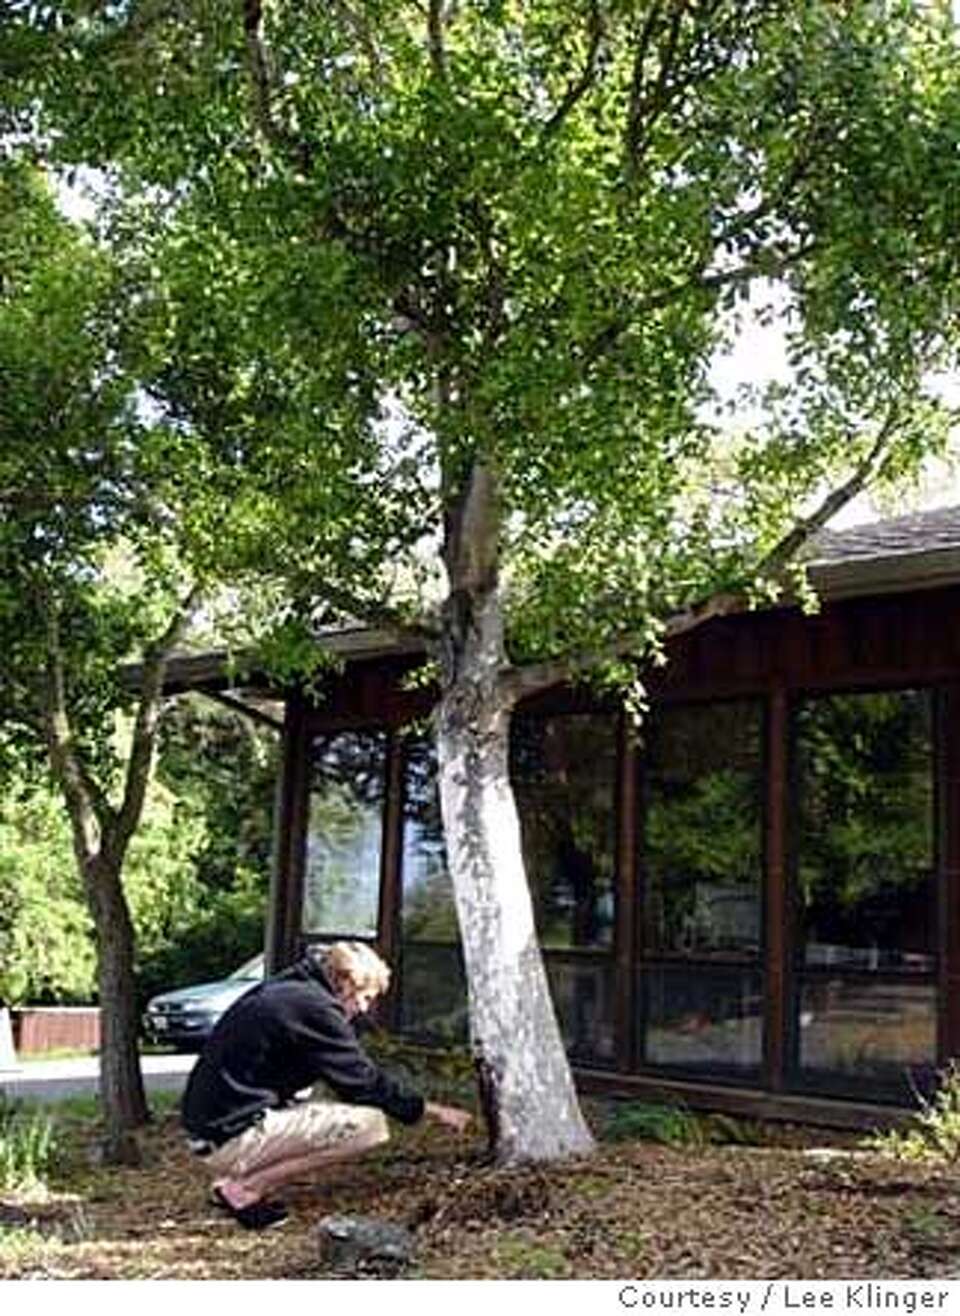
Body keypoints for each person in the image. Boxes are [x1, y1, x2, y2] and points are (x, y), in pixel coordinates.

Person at [180, 940, 472, 1229]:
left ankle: (232, 1178)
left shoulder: (292, 988)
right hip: (231, 1137)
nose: (364, 1009)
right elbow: (362, 1082)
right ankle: (245, 1188)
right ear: (346, 982)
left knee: (320, 1109)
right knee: (370, 1126)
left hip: (208, 1132)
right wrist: (431, 1110)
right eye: (366, 997)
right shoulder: (314, 1008)